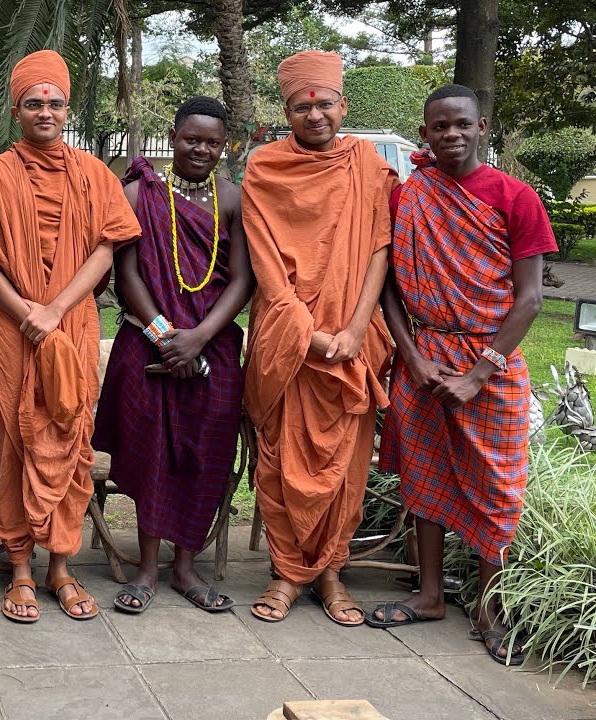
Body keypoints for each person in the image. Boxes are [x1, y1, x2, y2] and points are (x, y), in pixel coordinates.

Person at [367, 84, 554, 667]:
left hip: (492, 362)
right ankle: (428, 596)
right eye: (439, 126)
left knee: (494, 486)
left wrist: (479, 373)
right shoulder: (411, 196)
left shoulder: (515, 197)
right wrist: (413, 356)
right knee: (424, 479)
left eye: (462, 124)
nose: (451, 134)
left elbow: (529, 301)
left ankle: (488, 607)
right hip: (422, 357)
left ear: (481, 127)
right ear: (424, 133)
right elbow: (391, 286)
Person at [0, 49, 142, 623]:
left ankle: (60, 567)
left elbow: (107, 246)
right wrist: (25, 310)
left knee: (69, 433)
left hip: (73, 323)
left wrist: (55, 308)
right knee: (10, 439)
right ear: (16, 111)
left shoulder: (92, 174)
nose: (45, 112)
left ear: (67, 111)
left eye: (55, 103)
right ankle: (17, 568)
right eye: (34, 103)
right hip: (12, 328)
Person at [242, 50, 395, 626]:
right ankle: (285, 574)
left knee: (345, 465)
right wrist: (302, 333)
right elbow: (262, 255)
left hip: (353, 341)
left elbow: (379, 249)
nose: (315, 114)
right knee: (280, 461)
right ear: (287, 112)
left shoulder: (369, 166)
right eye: (303, 106)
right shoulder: (265, 168)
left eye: (325, 104)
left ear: (342, 106)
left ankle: (331, 573)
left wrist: (355, 330)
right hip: (289, 341)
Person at [94, 96, 253, 614]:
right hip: (147, 342)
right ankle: (145, 570)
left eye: (212, 142)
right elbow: (127, 274)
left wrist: (200, 337)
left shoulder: (232, 198)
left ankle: (185, 570)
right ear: (173, 135)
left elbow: (244, 280)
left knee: (202, 456)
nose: (201, 149)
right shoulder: (139, 194)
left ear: (223, 145)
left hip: (215, 348)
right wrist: (166, 335)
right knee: (149, 454)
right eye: (191, 139)